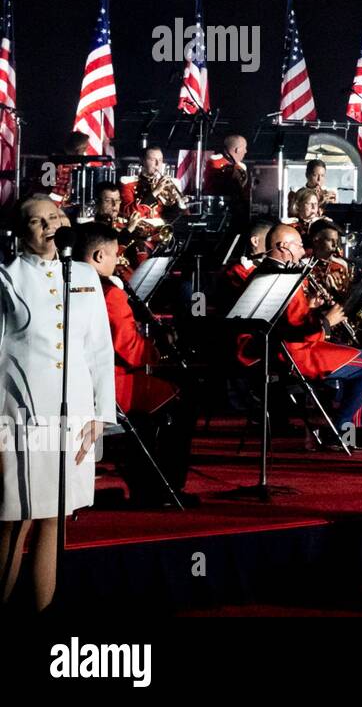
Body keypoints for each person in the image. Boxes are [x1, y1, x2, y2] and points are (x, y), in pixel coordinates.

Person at [0, 196, 115, 610]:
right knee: (17, 518)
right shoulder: (7, 277)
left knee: (55, 516)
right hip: (21, 416)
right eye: (36, 221)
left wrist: (101, 414)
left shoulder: (83, 274)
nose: (48, 225)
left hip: (74, 413)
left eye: (54, 216)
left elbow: (99, 349)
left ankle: (42, 612)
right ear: (20, 230)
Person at [77, 223, 195, 507]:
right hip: (114, 386)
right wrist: (160, 353)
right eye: (115, 255)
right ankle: (164, 488)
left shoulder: (70, 284)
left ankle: (149, 483)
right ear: (98, 257)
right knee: (184, 400)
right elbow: (129, 350)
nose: (120, 261)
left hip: (84, 379)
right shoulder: (109, 293)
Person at [241, 224, 362, 444]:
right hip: (296, 354)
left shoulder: (269, 272)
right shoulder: (284, 277)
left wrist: (311, 306)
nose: (302, 250)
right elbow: (295, 330)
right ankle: (345, 431)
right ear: (284, 246)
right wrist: (327, 323)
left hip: (286, 349)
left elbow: (286, 318)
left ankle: (356, 423)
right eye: (298, 245)